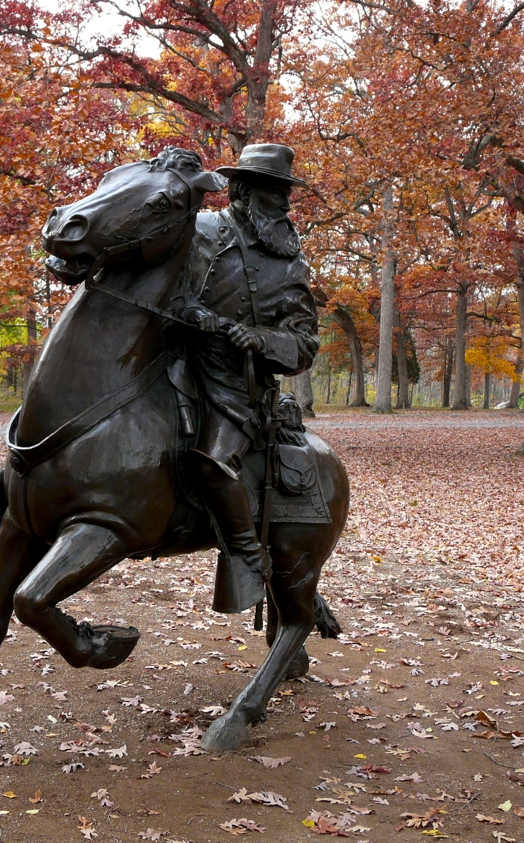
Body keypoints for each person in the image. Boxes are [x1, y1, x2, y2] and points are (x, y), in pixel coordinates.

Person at [175, 143, 318, 613]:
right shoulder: (195, 229)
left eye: (286, 192)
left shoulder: (289, 262)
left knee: (213, 462)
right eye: (275, 191)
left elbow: (303, 345)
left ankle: (248, 558)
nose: (285, 203)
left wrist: (258, 338)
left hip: (232, 385)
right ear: (243, 191)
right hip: (169, 357)